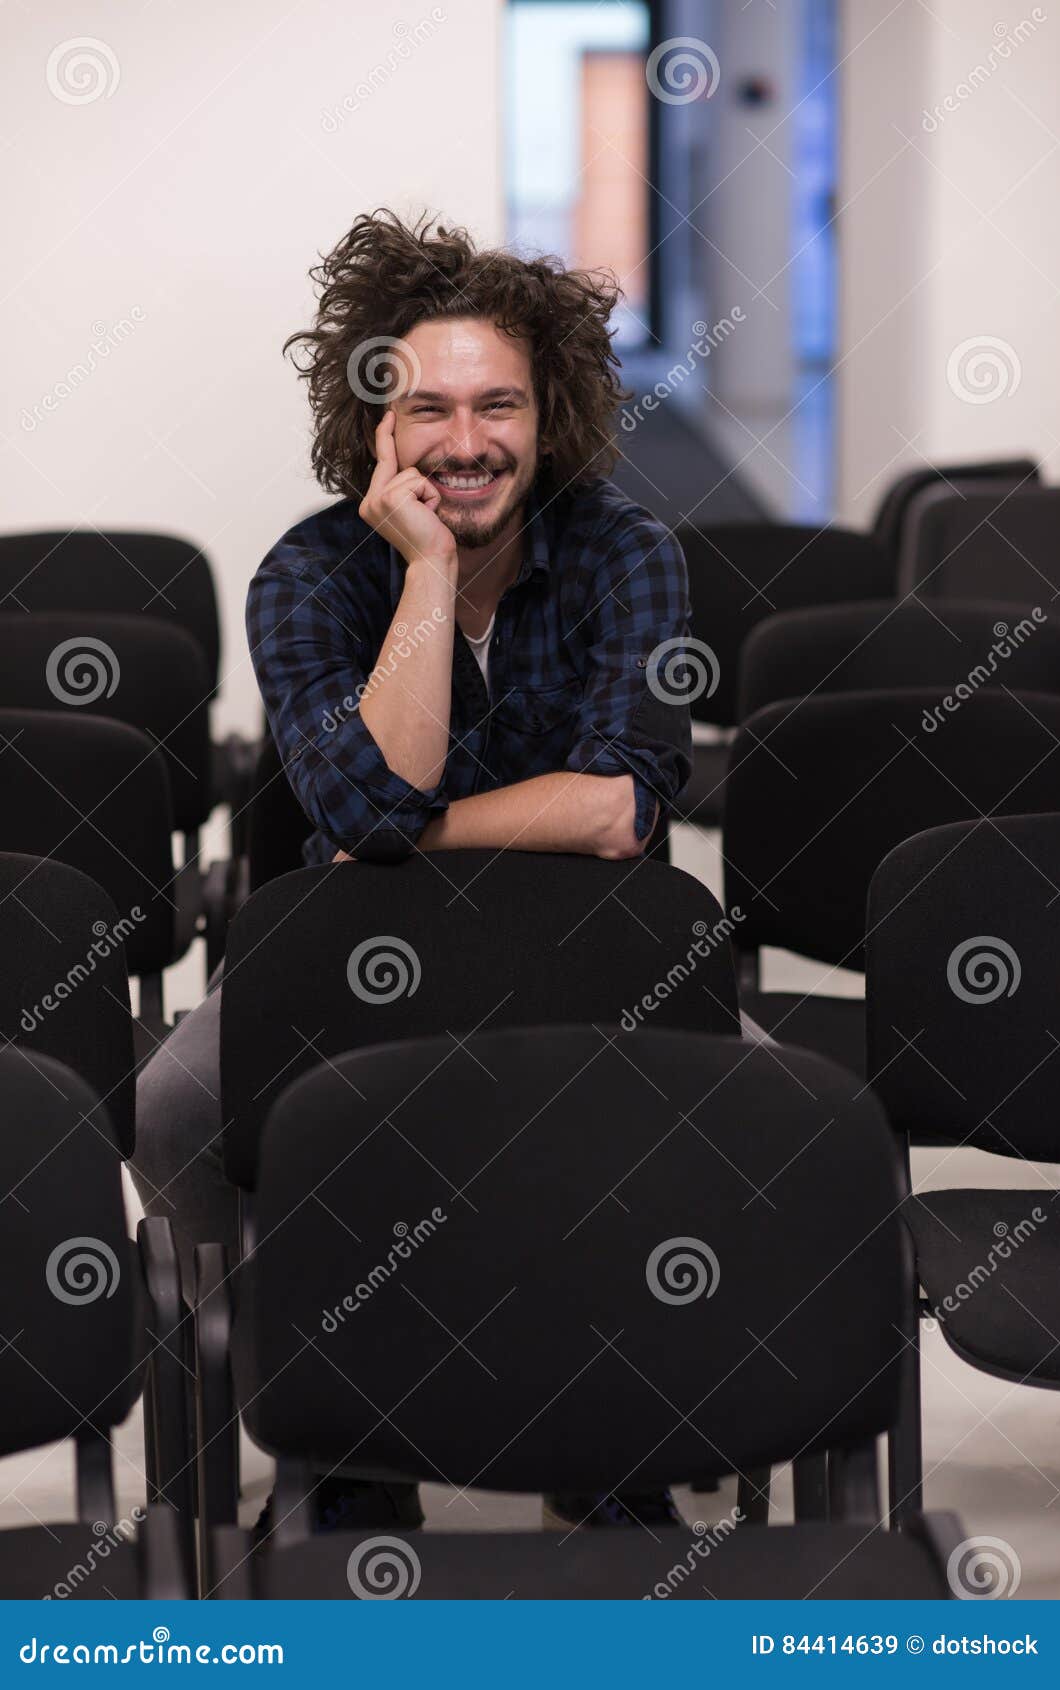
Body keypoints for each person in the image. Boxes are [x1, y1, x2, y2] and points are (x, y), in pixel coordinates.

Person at [131, 207, 693, 1539]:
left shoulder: (629, 554)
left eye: (499, 403)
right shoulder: (310, 575)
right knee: (170, 1105)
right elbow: (370, 807)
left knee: (637, 1117)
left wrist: (422, 829)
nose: (465, 441)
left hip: (574, 967)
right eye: (427, 407)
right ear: (373, 420)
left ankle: (611, 1443)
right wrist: (429, 571)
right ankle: (321, 1417)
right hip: (352, 974)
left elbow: (618, 807)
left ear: (549, 411)